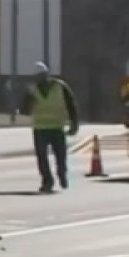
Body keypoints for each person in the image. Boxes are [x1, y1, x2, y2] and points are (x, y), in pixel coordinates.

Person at [20, 61, 80, 193]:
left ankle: (62, 173)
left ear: (47, 75)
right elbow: (24, 110)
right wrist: (28, 99)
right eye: (38, 77)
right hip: (40, 128)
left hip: (57, 127)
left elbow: (72, 105)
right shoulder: (32, 90)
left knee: (61, 155)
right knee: (42, 157)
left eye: (42, 76)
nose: (40, 79)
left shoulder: (60, 86)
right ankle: (47, 181)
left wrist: (74, 123)